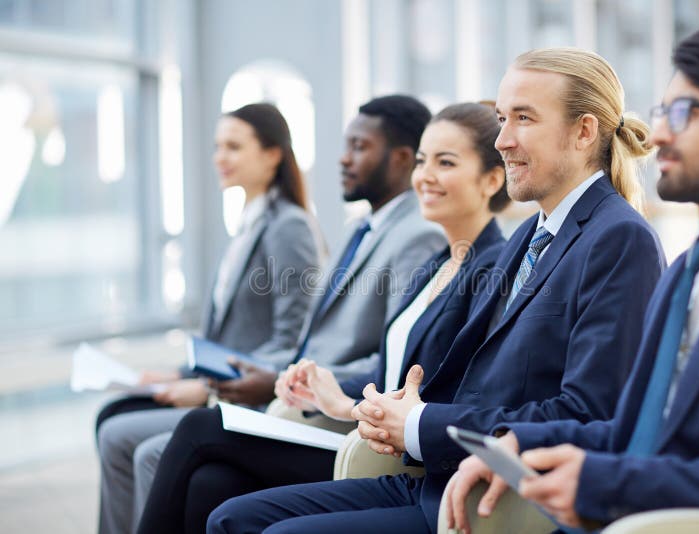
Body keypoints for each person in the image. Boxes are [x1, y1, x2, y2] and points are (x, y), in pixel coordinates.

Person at [207, 47, 665, 534]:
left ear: (584, 131)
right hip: (434, 480)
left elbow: (592, 414)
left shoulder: (619, 238)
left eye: (524, 118)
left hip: (494, 505)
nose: (504, 140)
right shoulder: (529, 238)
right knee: (230, 518)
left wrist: (420, 425)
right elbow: (471, 379)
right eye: (502, 119)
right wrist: (388, 413)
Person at [447, 23, 699, 532]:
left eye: (685, 114)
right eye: (663, 112)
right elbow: (638, 430)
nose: (658, 135)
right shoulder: (687, 271)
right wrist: (520, 443)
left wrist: (606, 483)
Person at [134, 95, 447, 534]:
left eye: (358, 146)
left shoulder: (417, 236)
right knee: (210, 483)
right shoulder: (362, 227)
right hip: (303, 399)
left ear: (399, 159)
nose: (342, 158)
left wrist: (315, 384)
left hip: (339, 420)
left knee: (196, 428)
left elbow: (394, 361)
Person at [96, 102, 321, 534]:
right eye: (218, 146)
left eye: (234, 146)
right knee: (114, 418)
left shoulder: (288, 227)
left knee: (119, 433)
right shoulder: (248, 223)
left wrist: (205, 385)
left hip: (247, 394)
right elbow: (224, 335)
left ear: (272, 154)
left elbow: (291, 340)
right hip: (219, 384)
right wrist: (175, 372)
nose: (220, 157)